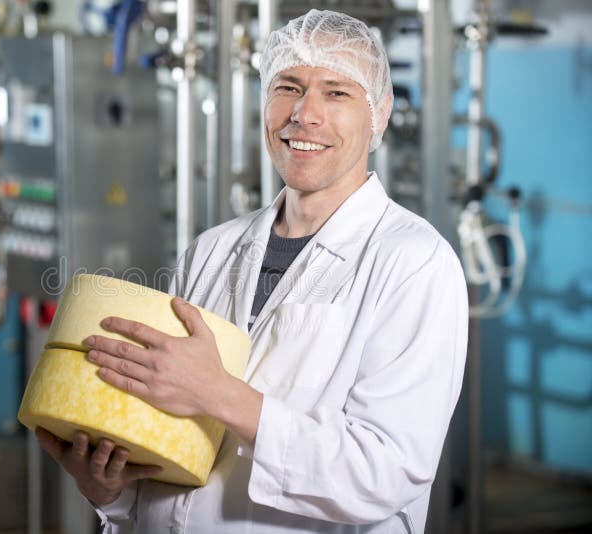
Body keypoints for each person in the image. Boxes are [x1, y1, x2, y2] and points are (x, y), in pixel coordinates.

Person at [36, 9, 468, 534]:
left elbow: (384, 474)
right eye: (288, 86)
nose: (304, 114)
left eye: (336, 92)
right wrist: (110, 491)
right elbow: (170, 449)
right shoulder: (211, 251)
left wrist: (218, 393)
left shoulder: (414, 263)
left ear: (379, 112)